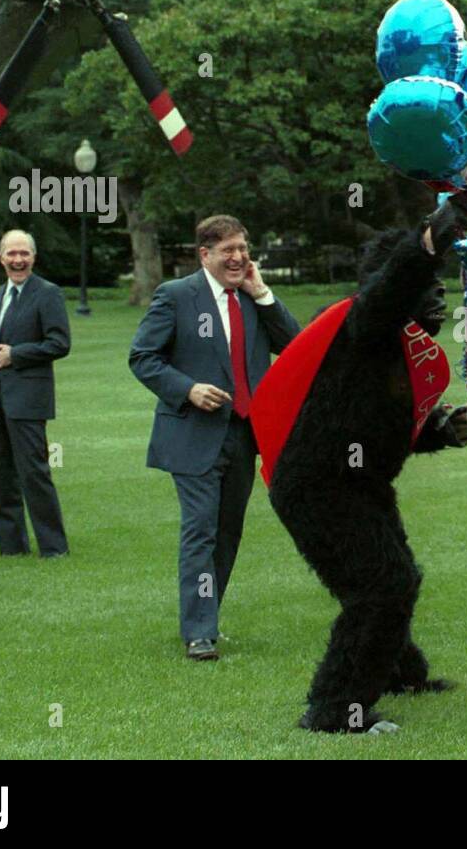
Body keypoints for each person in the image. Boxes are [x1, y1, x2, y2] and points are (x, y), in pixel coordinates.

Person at [259, 197, 467, 733]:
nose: (440, 293)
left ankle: (402, 674)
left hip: (360, 482)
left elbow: (388, 433)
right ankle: (334, 709)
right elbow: (384, 299)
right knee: (382, 586)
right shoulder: (365, 328)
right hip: (319, 487)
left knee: (394, 578)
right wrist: (427, 244)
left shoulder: (400, 349)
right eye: (428, 284)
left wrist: (446, 429)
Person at [129, 215, 299, 661]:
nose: (239, 257)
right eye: (229, 251)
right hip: (192, 435)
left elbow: (295, 344)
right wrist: (188, 388)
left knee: (227, 533)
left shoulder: (250, 299)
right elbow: (143, 357)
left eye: (243, 248)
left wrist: (261, 292)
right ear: (204, 255)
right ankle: (199, 632)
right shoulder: (175, 296)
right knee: (200, 529)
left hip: (244, 436)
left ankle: (207, 616)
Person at [0, 229, 71, 558]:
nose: (18, 260)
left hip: (29, 401)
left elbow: (60, 343)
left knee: (34, 474)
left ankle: (53, 547)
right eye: (12, 254)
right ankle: (12, 547)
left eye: (24, 254)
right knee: (0, 476)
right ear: (1, 258)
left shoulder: (48, 294)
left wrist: (16, 355)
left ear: (33, 257)